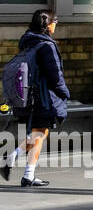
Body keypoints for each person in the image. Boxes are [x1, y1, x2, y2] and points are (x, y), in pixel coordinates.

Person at [2, 11, 70, 187]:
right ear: (48, 25)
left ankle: (27, 173)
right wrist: (64, 92)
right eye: (55, 21)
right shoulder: (47, 46)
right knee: (39, 132)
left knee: (39, 133)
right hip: (44, 96)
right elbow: (54, 75)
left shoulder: (28, 43)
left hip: (29, 96)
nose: (56, 24)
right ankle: (14, 158)